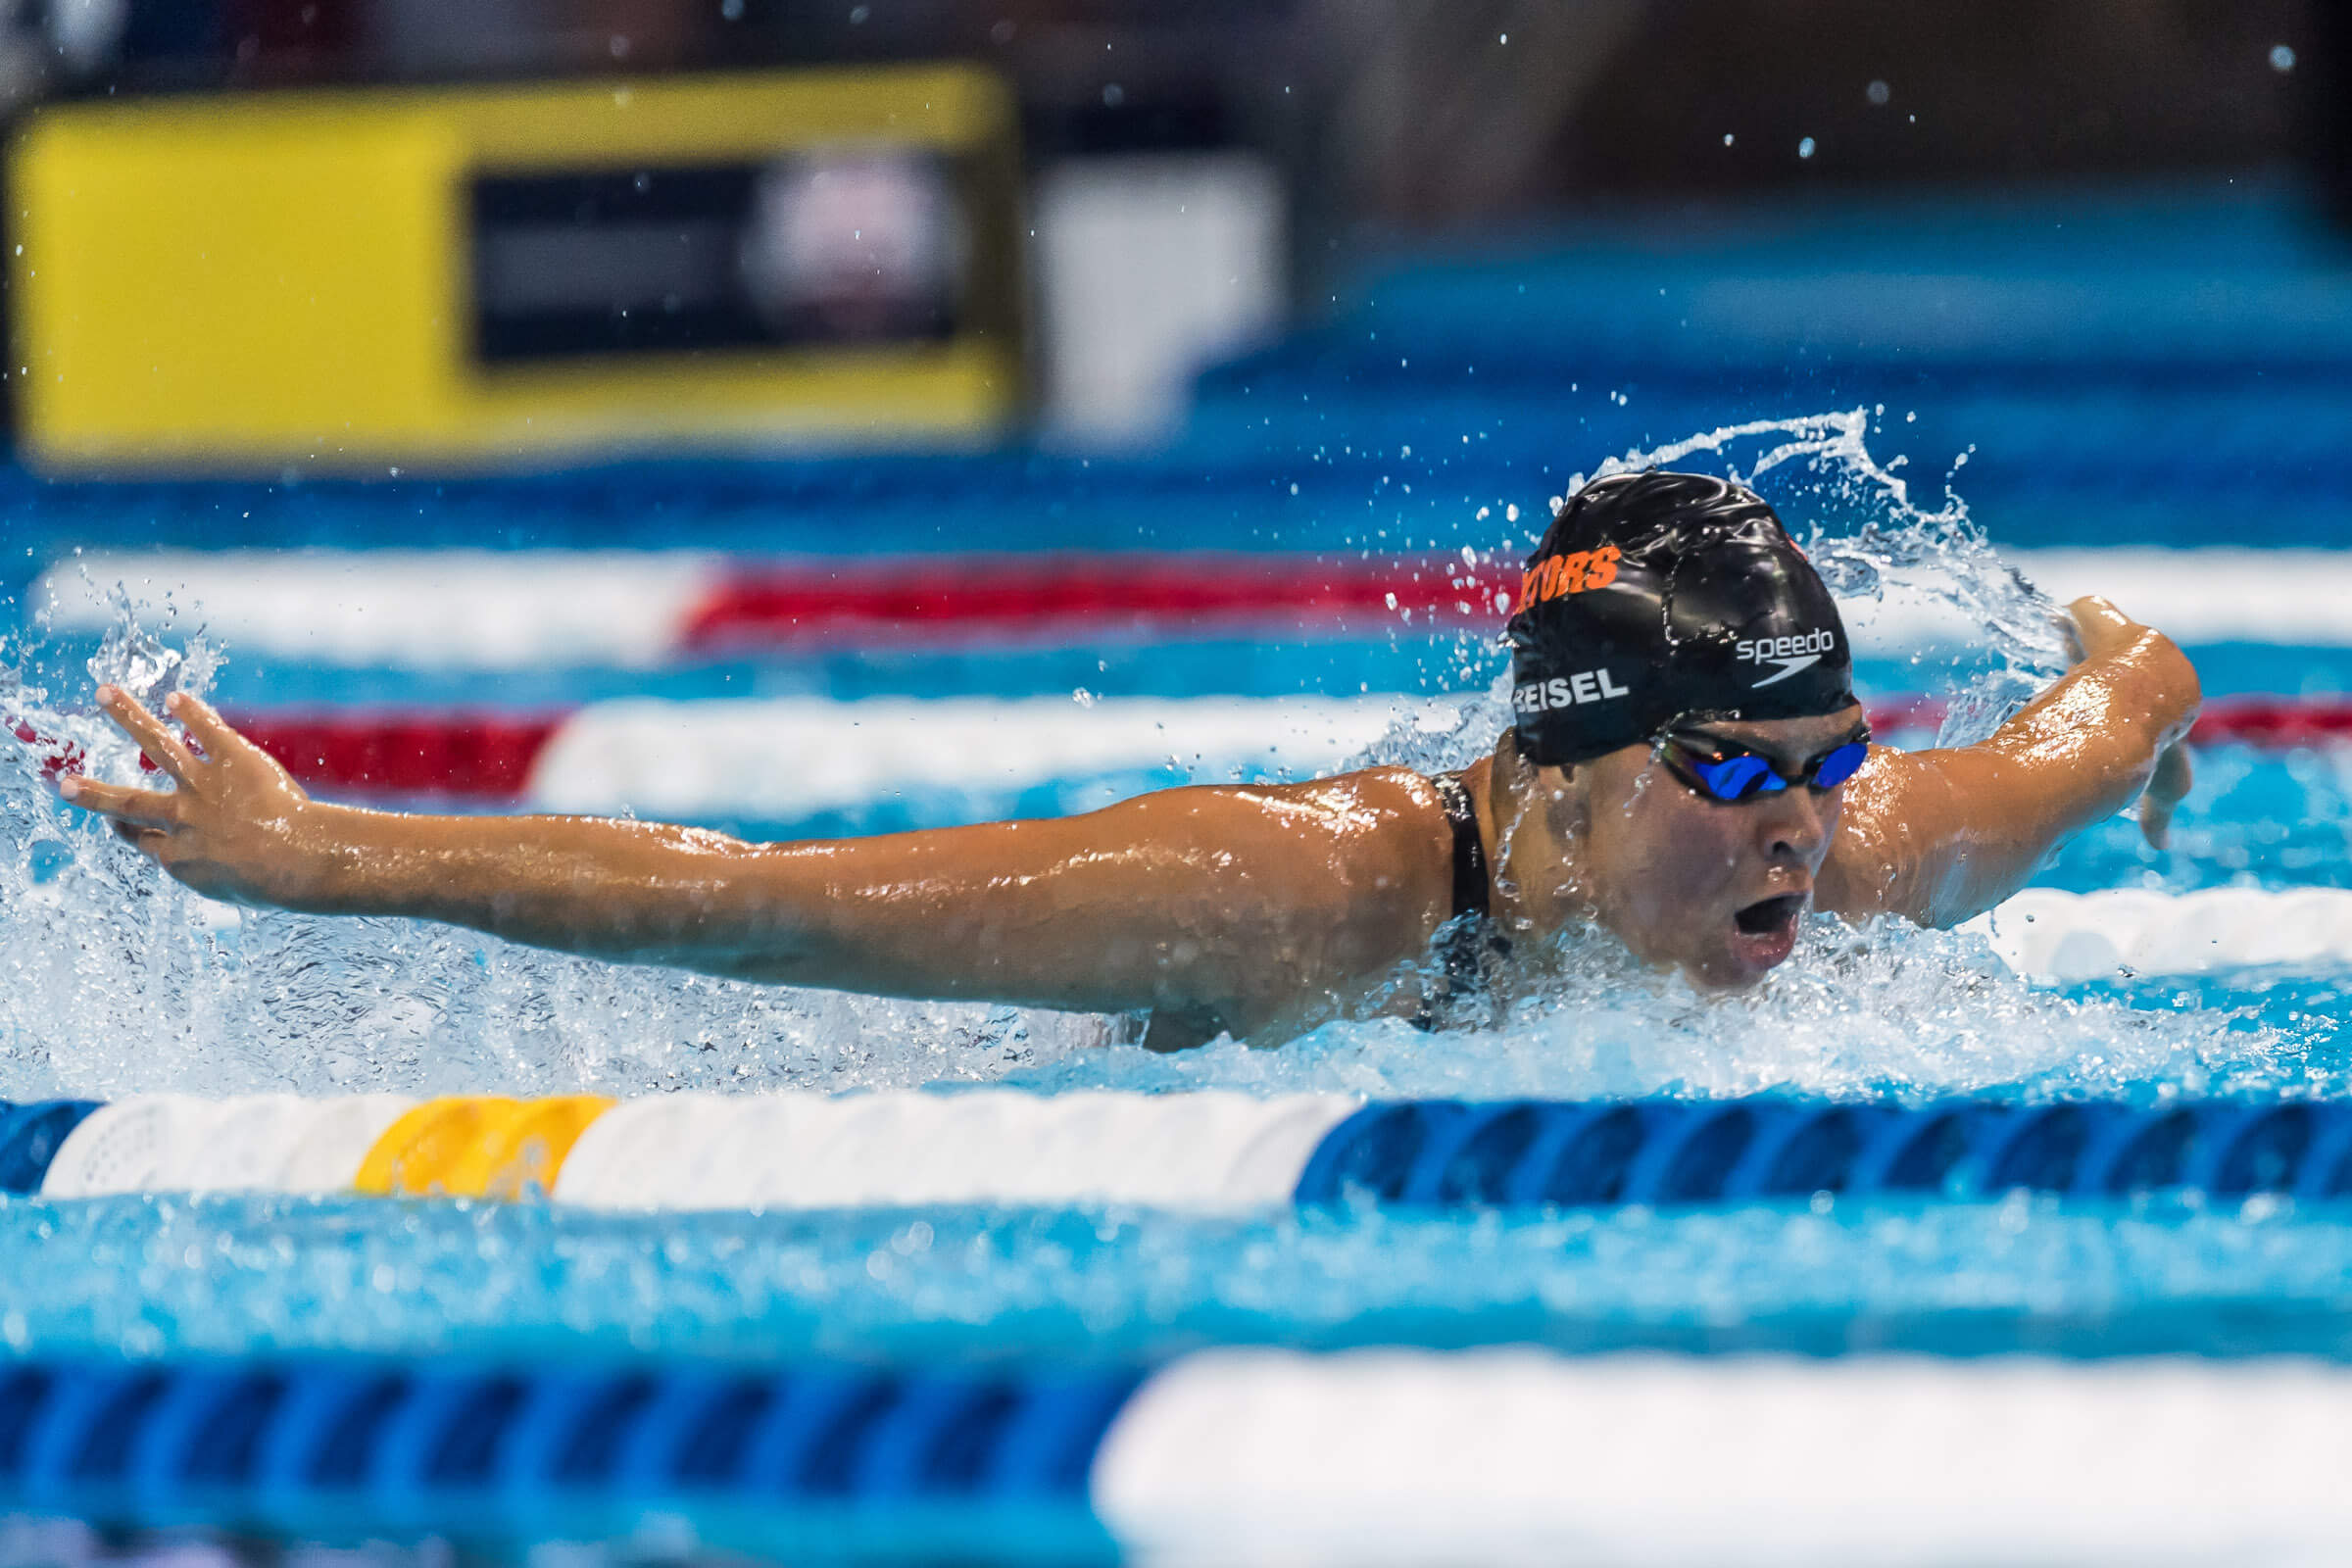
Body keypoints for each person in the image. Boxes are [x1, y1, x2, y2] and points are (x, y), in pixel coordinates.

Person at [56, 470, 2198, 1050]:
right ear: (1557, 767)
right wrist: (333, 845)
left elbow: (2119, 698)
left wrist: (2141, 702)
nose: (1811, 831)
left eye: (1835, 763)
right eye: (1738, 772)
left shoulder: (1857, 857)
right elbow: (769, 899)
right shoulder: (1300, 896)